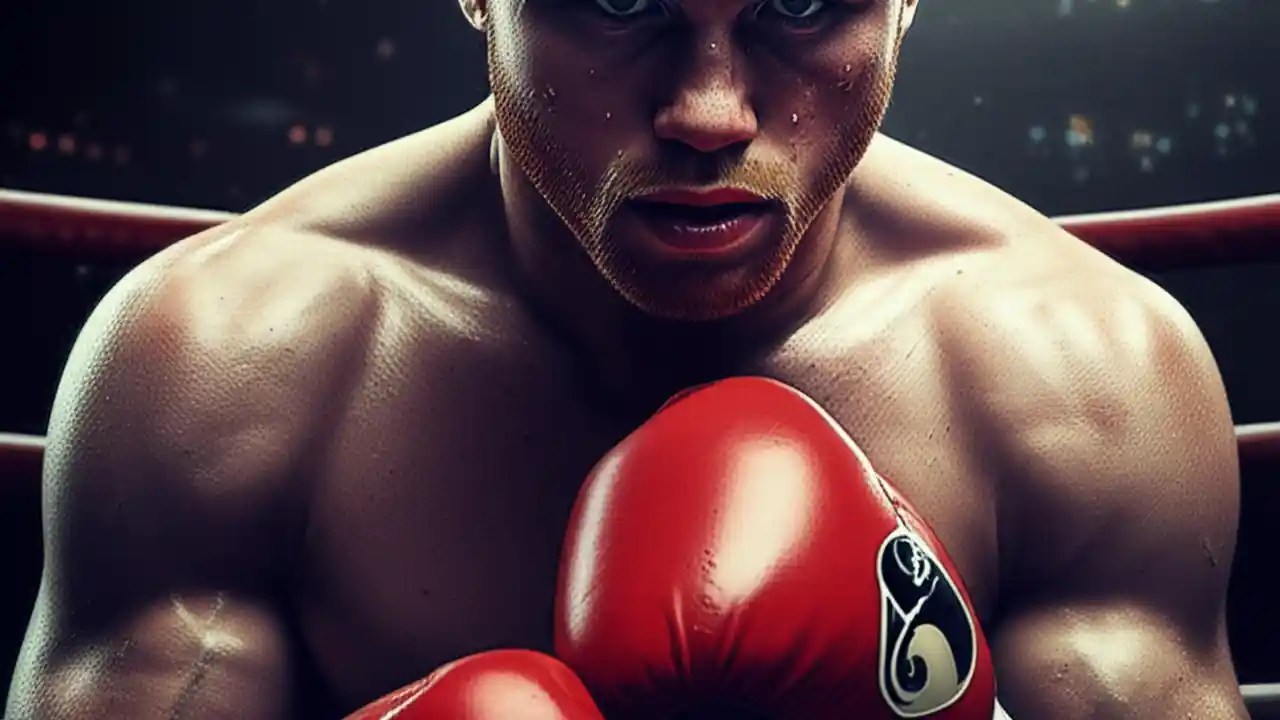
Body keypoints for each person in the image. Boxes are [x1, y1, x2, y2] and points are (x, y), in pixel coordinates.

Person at [5, 0, 1247, 717]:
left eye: (802, 6)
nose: (709, 111)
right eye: (614, 1)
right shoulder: (229, 366)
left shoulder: (1078, 375)